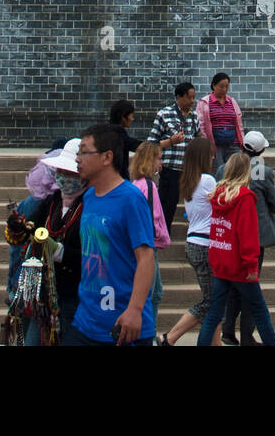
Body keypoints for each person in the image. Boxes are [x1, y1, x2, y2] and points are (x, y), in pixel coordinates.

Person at [63, 123, 156, 346]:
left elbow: (146, 258)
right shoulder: (89, 198)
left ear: (107, 157)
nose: (77, 159)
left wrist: (135, 310)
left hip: (123, 327)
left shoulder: (131, 199)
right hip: (85, 322)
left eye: (84, 152)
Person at [4, 140, 86, 344]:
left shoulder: (90, 207)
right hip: (42, 295)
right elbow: (28, 229)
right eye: (61, 171)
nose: (64, 177)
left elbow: (91, 258)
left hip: (73, 296)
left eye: (70, 173)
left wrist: (58, 251)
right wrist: (17, 226)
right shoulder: (53, 202)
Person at [196, 152, 275, 346]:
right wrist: (251, 266)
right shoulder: (245, 198)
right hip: (239, 266)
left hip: (220, 262)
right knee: (260, 312)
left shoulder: (218, 195)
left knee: (215, 312)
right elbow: (248, 235)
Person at [221, 130, 275, 346]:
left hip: (229, 235)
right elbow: (274, 204)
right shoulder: (263, 172)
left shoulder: (224, 169)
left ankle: (228, 330)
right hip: (254, 237)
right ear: (261, 150)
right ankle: (247, 336)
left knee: (232, 288)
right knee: (251, 284)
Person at [160, 138, 216, 346]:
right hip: (204, 245)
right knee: (210, 301)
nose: (212, 158)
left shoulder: (188, 180)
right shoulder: (208, 180)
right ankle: (170, 337)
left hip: (194, 241)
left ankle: (215, 342)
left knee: (214, 297)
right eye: (210, 154)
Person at [129, 141, 171, 333]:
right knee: (151, 293)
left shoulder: (135, 184)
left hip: (142, 242)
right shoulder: (149, 185)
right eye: (159, 158)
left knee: (156, 292)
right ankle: (149, 332)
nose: (160, 163)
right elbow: (153, 216)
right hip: (148, 244)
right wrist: (162, 237)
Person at [147, 81, 199, 226]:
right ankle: (162, 233)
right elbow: (150, 144)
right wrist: (170, 141)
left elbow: (198, 137)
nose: (192, 101)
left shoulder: (194, 116)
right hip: (170, 168)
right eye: (189, 98)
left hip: (188, 168)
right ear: (179, 97)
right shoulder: (164, 114)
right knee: (168, 203)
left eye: (194, 98)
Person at [196, 72, 245, 175]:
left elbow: (238, 123)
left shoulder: (232, 101)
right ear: (213, 85)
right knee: (219, 171)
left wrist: (242, 141)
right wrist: (207, 144)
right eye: (221, 86)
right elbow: (201, 125)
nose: (224, 89)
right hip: (215, 144)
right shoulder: (204, 102)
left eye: (226, 87)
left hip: (232, 142)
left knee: (235, 171)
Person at [108, 99, 140, 179]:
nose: (132, 119)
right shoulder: (118, 134)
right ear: (123, 117)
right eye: (131, 116)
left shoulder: (106, 131)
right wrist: (169, 142)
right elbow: (139, 146)